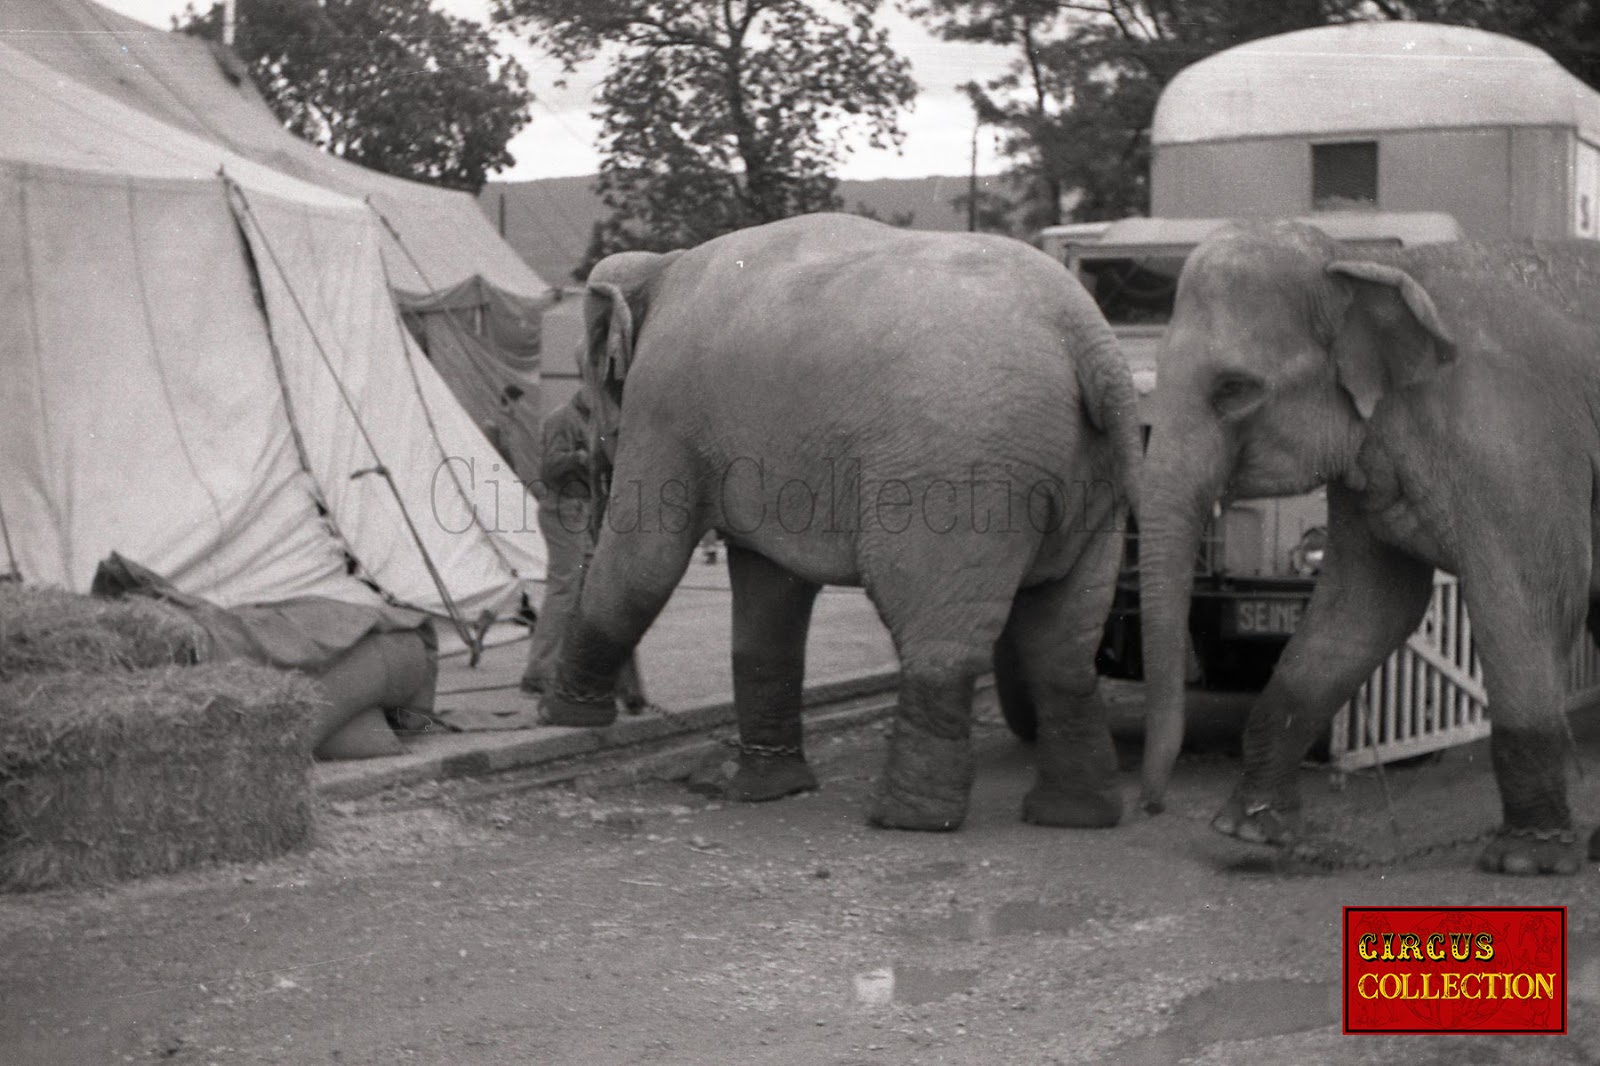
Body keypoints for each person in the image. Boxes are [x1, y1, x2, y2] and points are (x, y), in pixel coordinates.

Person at [520, 390, 651, 712]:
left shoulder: (599, 418)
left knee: (598, 592)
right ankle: (539, 671)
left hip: (587, 509)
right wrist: (581, 456)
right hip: (564, 508)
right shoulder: (561, 419)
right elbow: (548, 468)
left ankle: (607, 678)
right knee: (564, 589)